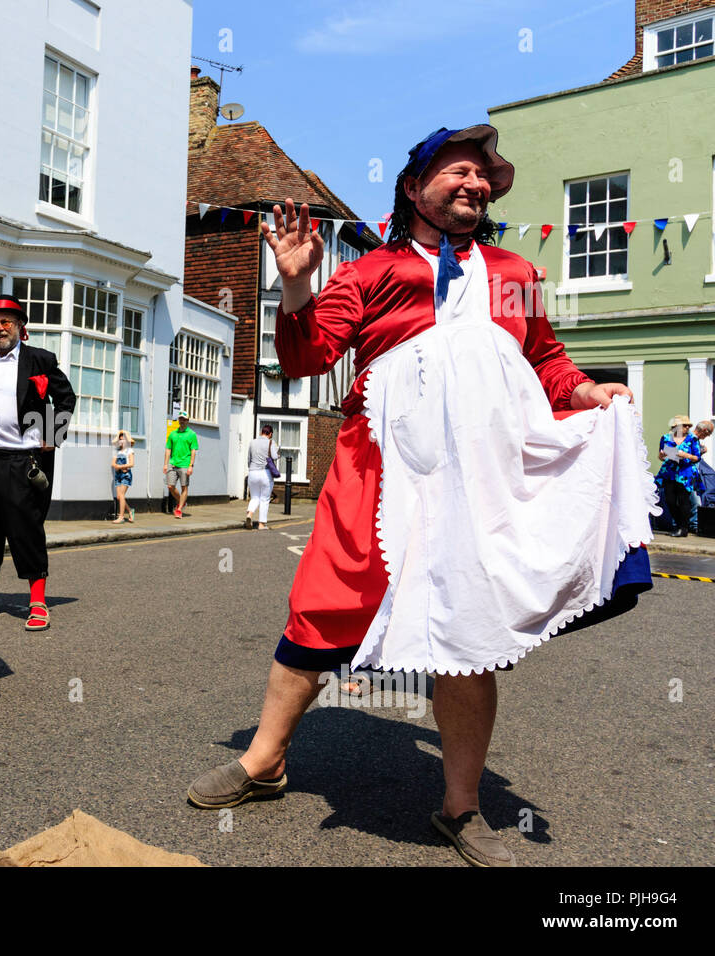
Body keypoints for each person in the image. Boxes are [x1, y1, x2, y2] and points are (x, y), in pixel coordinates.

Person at [186, 125, 654, 868]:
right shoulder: (370, 271)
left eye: (481, 176)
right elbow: (306, 356)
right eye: (456, 172)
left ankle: (460, 808)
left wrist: (589, 391)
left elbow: (548, 363)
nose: (473, 184)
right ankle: (265, 759)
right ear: (414, 189)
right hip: (374, 468)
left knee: (467, 629)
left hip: (479, 476)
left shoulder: (514, 273)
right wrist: (300, 283)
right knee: (322, 604)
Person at [0, 293, 75, 631]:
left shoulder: (39, 360)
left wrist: (53, 433)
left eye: (6, 322)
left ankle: (37, 601)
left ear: (20, 327)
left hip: (25, 461)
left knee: (27, 530)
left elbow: (65, 396)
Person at [657, 415, 699, 537]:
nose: (687, 428)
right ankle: (680, 524)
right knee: (669, 500)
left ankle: (683, 528)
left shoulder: (692, 439)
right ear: (676, 427)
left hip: (685, 472)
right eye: (684, 425)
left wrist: (685, 455)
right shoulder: (665, 438)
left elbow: (697, 457)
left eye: (688, 426)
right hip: (669, 472)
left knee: (683, 500)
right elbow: (661, 456)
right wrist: (662, 455)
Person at [163, 413, 198, 517]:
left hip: (185, 464)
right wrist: (165, 464)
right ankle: (182, 502)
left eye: (184, 419)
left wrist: (191, 465)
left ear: (187, 421)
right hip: (173, 463)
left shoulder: (192, 434)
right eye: (180, 419)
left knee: (184, 487)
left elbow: (193, 451)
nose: (182, 421)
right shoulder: (172, 434)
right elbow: (168, 449)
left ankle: (179, 509)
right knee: (170, 486)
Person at [245, 424, 276, 530]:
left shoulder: (252, 442)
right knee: (264, 499)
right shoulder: (271, 443)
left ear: (261, 432)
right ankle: (261, 524)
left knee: (254, 497)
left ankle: (249, 515)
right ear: (270, 434)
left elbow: (249, 458)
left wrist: (251, 468)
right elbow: (275, 456)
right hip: (265, 473)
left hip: (253, 472)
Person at [112, 430, 135, 523]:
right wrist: (117, 466)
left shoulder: (130, 451)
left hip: (126, 475)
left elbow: (132, 464)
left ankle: (121, 517)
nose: (122, 441)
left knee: (121, 495)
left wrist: (120, 466)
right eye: (120, 439)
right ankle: (130, 511)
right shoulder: (116, 451)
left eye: (124, 439)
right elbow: (113, 463)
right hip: (118, 475)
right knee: (119, 496)